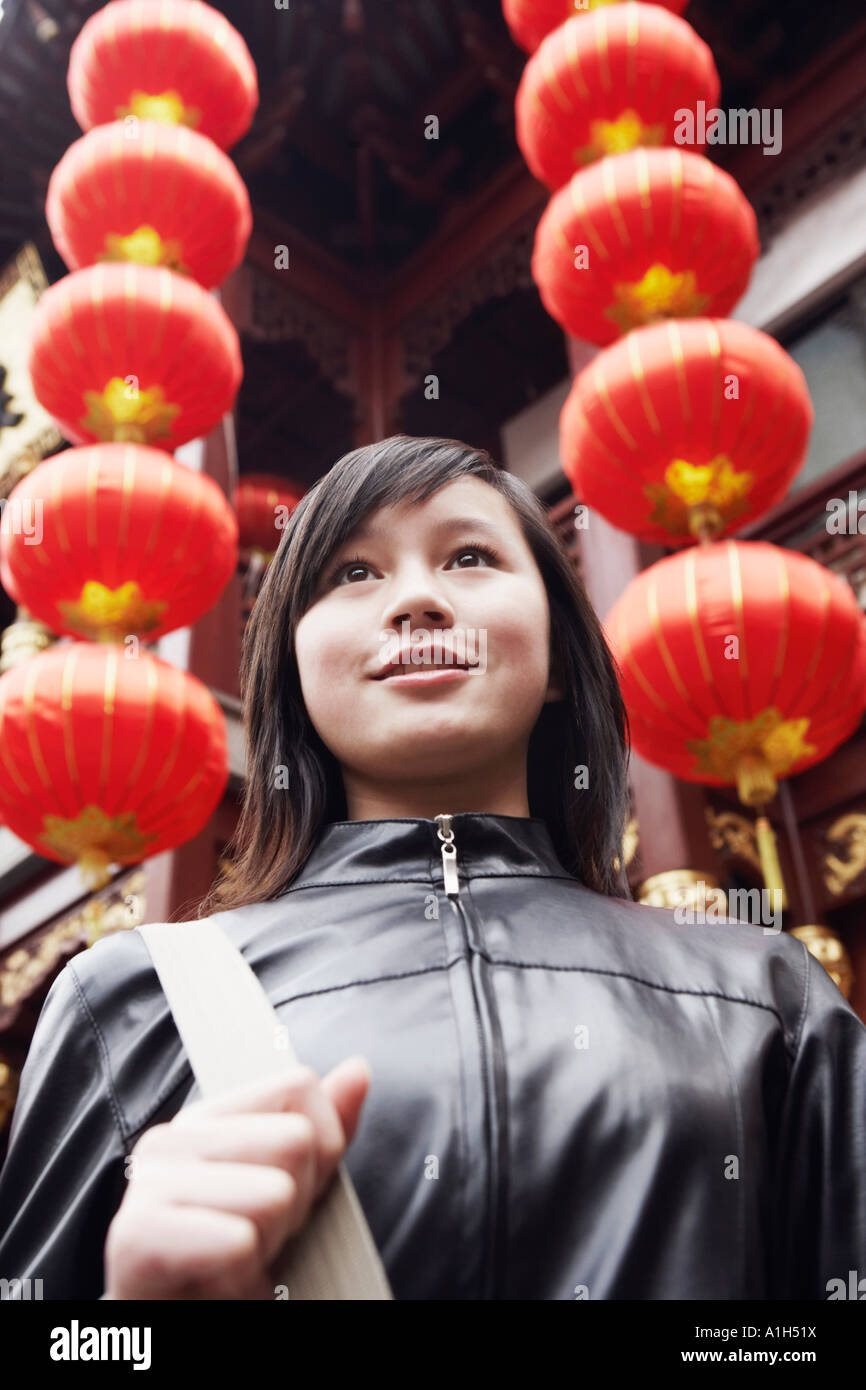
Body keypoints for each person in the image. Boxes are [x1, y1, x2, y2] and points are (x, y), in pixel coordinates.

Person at [0, 433, 864, 1300]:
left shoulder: (758, 990)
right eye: (354, 574)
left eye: (469, 557)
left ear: (560, 654)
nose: (416, 600)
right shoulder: (135, 999)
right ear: (295, 667)